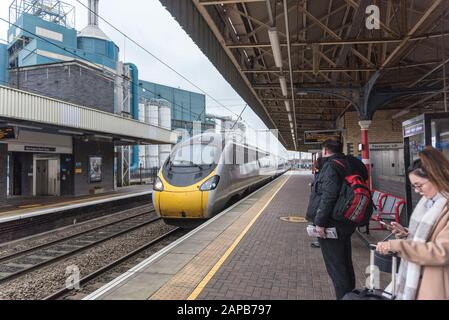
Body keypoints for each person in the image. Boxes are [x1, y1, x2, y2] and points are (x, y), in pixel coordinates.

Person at [376, 146, 449, 300]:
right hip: (420, 279)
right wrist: (407, 233)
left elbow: (441, 252)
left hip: (436, 285)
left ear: (436, 176)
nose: (417, 191)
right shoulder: (430, 203)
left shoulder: (444, 206)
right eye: (414, 186)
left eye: (419, 185)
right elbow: (429, 237)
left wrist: (397, 245)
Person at [306, 138, 368, 299]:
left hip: (332, 224)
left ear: (325, 150)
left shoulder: (330, 167)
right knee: (344, 263)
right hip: (346, 221)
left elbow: (328, 196)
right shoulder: (349, 163)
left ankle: (344, 296)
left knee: (336, 267)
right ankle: (349, 295)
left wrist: (319, 223)